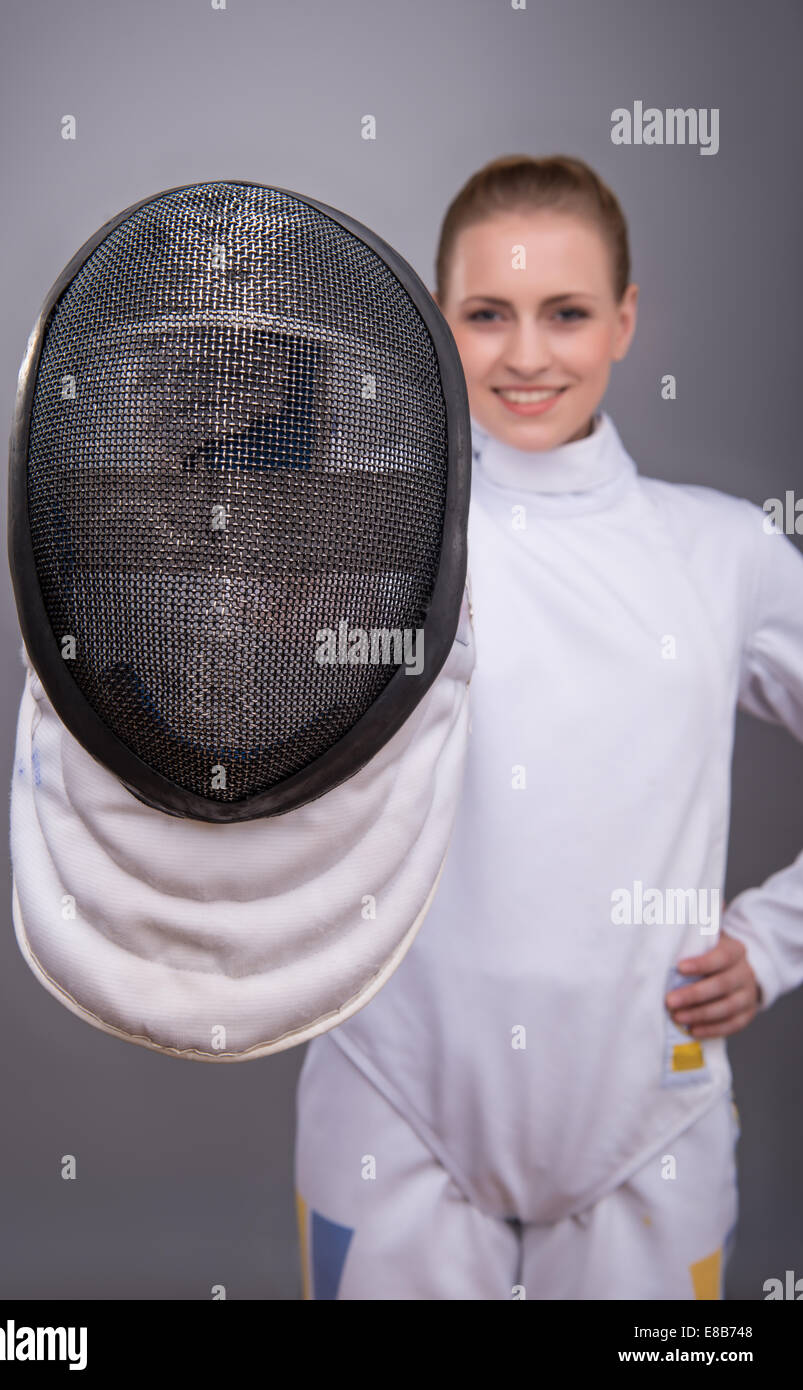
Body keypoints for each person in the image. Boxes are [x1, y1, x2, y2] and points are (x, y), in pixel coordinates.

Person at [293, 154, 803, 1300]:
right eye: (487, 315)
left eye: (566, 313)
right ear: (437, 323)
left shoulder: (722, 555)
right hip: (393, 1091)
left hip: (645, 1119)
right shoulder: (369, 542)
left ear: (625, 322)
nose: (527, 356)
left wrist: (775, 942)